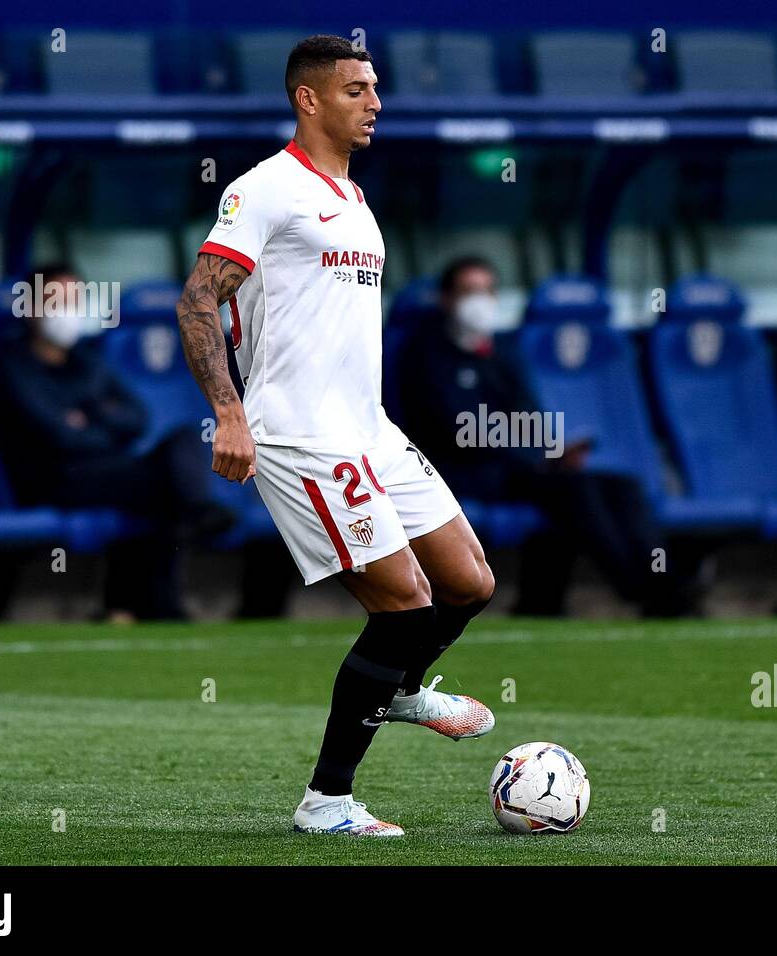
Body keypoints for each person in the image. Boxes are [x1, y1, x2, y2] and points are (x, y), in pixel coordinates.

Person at [177, 35, 495, 838]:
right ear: (308, 99)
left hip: (370, 429)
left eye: (376, 88)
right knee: (403, 607)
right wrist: (231, 413)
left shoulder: (354, 199)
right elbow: (196, 301)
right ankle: (326, 803)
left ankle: (403, 690)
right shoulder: (266, 191)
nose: (375, 102)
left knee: (468, 583)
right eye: (356, 89)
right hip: (301, 434)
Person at [399, 255, 696, 617]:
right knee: (578, 491)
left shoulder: (499, 353)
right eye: (468, 291)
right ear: (446, 299)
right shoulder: (424, 353)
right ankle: (645, 589)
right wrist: (531, 457)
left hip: (519, 470)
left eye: (488, 291)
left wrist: (551, 453)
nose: (480, 301)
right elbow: (455, 428)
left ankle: (660, 577)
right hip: (464, 473)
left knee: (623, 486)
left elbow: (527, 415)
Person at [0, 263, 234, 620]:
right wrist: (99, 417)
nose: (67, 312)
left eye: (75, 301)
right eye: (56, 302)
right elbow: (59, 436)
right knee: (164, 489)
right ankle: (165, 585)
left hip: (109, 471)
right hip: (56, 478)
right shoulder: (10, 364)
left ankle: (137, 601)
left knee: (182, 440)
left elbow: (136, 419)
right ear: (30, 309)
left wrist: (88, 414)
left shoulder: (87, 361)